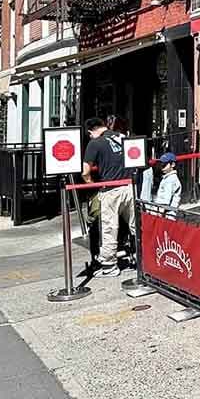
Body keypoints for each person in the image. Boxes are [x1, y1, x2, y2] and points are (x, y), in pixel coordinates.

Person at [83, 117, 134, 278]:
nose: (90, 137)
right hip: (129, 186)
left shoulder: (95, 143)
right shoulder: (122, 136)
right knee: (136, 225)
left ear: (91, 130)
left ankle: (110, 266)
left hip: (110, 189)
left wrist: (91, 184)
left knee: (109, 228)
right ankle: (144, 257)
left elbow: (85, 171)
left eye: (89, 134)